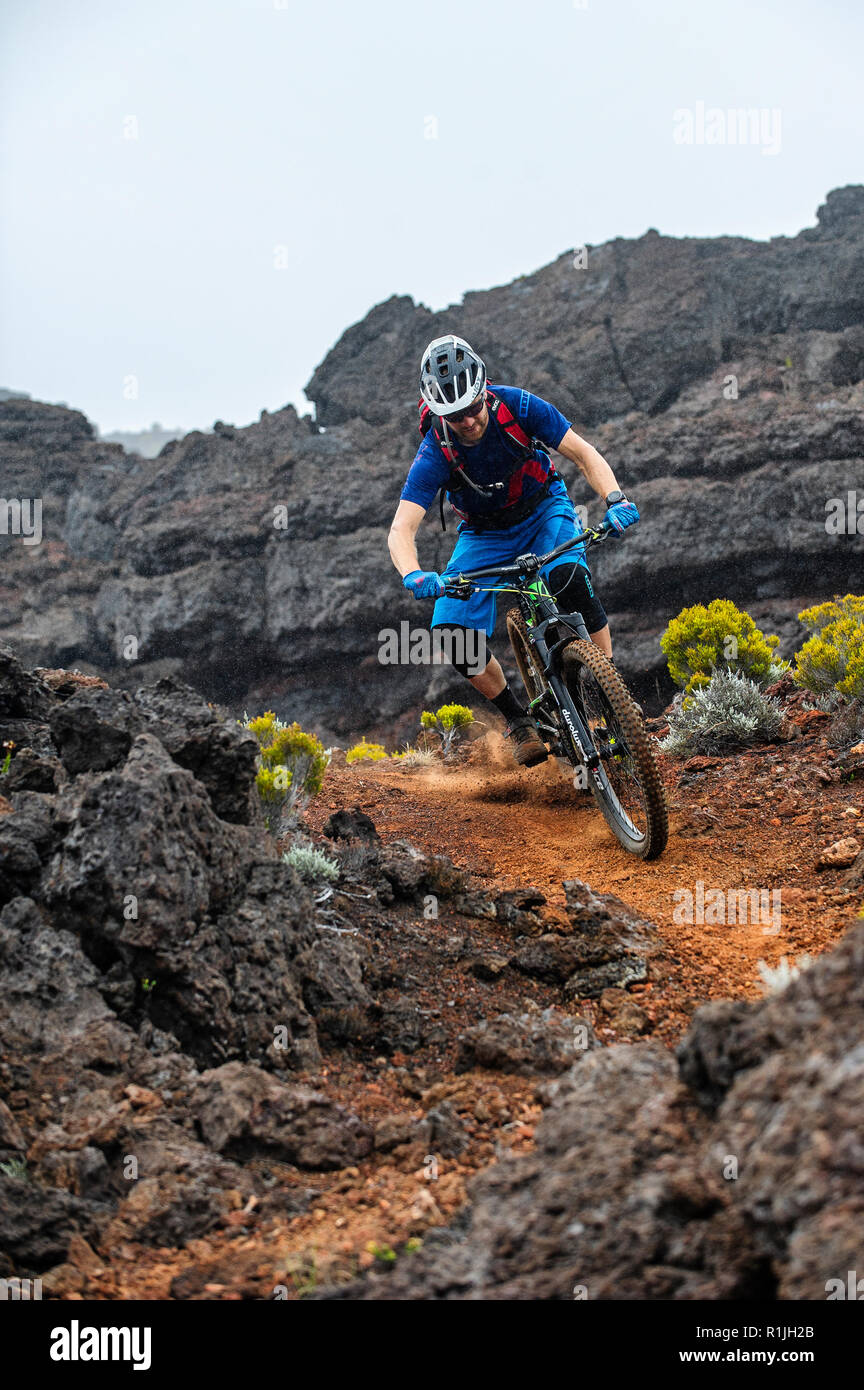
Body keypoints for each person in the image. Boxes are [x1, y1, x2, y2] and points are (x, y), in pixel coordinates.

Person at [387, 334, 639, 766]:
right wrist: (414, 574)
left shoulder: (520, 407)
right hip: (484, 535)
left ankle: (614, 693)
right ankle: (518, 719)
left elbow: (584, 453)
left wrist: (615, 499)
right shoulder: (435, 450)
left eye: (471, 408)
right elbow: (401, 528)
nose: (466, 421)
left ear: (484, 391)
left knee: (569, 580)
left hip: (544, 510)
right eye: (453, 415)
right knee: (452, 633)